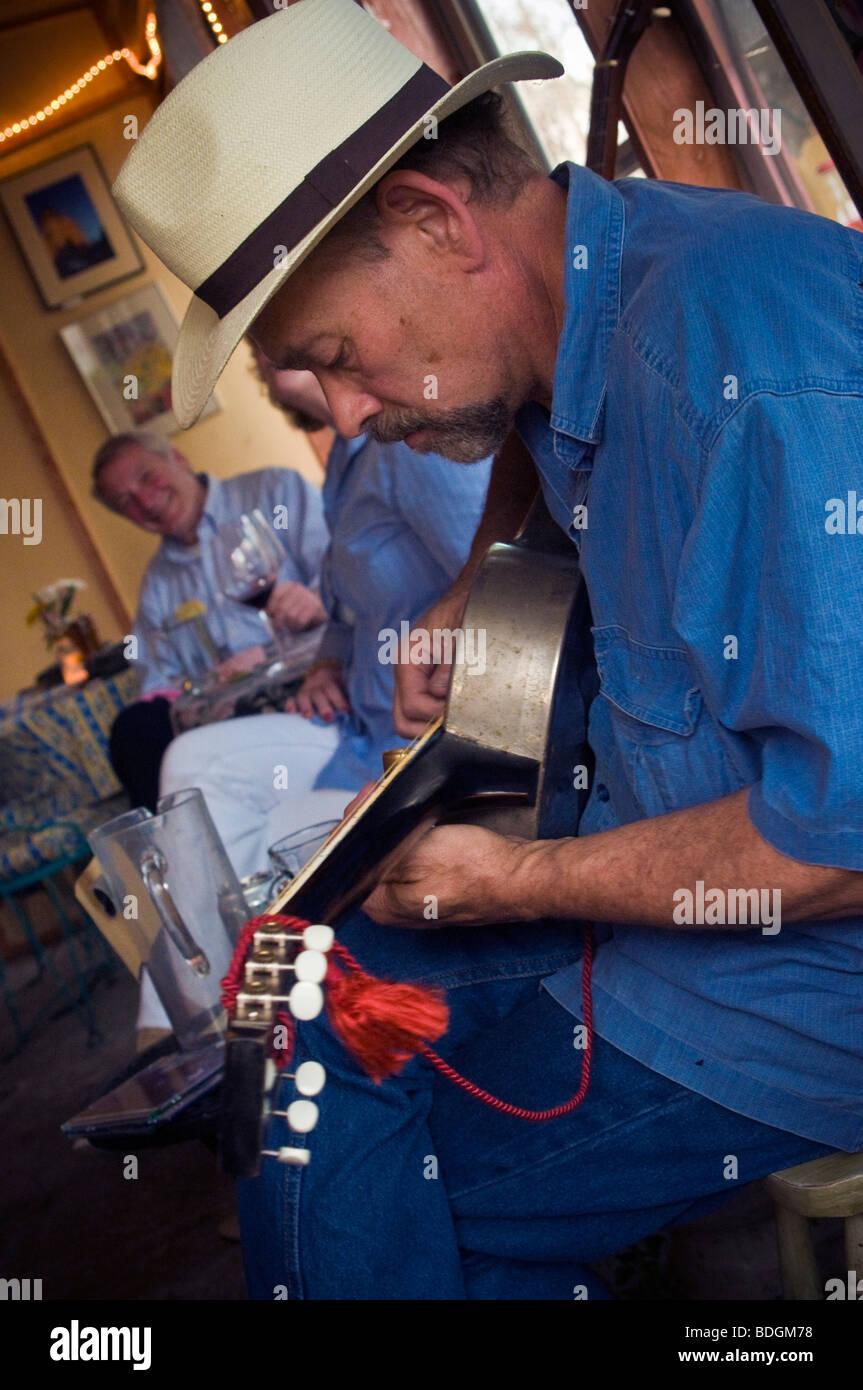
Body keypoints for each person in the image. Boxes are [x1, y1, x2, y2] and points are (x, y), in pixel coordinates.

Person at [111, 2, 863, 1300]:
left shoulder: (745, 358)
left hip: (800, 968)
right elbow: (546, 424)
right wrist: (475, 582)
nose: (345, 417)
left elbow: (831, 841)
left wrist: (513, 877)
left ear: (431, 221)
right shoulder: (591, 295)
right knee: (290, 989)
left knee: (403, 1208)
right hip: (655, 870)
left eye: (336, 362)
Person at [159, 356, 490, 879]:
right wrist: (327, 664)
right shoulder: (343, 462)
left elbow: (498, 581)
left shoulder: (407, 444)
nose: (274, 351)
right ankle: (231, 956)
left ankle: (275, 949)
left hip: (419, 736)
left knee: (278, 841)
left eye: (287, 331)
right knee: (190, 764)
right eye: (263, 347)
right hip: (361, 724)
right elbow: (344, 605)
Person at [92, 431, 329, 810]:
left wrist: (318, 601)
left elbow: (354, 577)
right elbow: (156, 681)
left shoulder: (275, 490)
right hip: (234, 721)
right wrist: (208, 680)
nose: (147, 501)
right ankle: (185, 855)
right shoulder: (158, 584)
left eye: (147, 477)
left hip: (315, 681)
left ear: (178, 458)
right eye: (127, 502)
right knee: (135, 729)